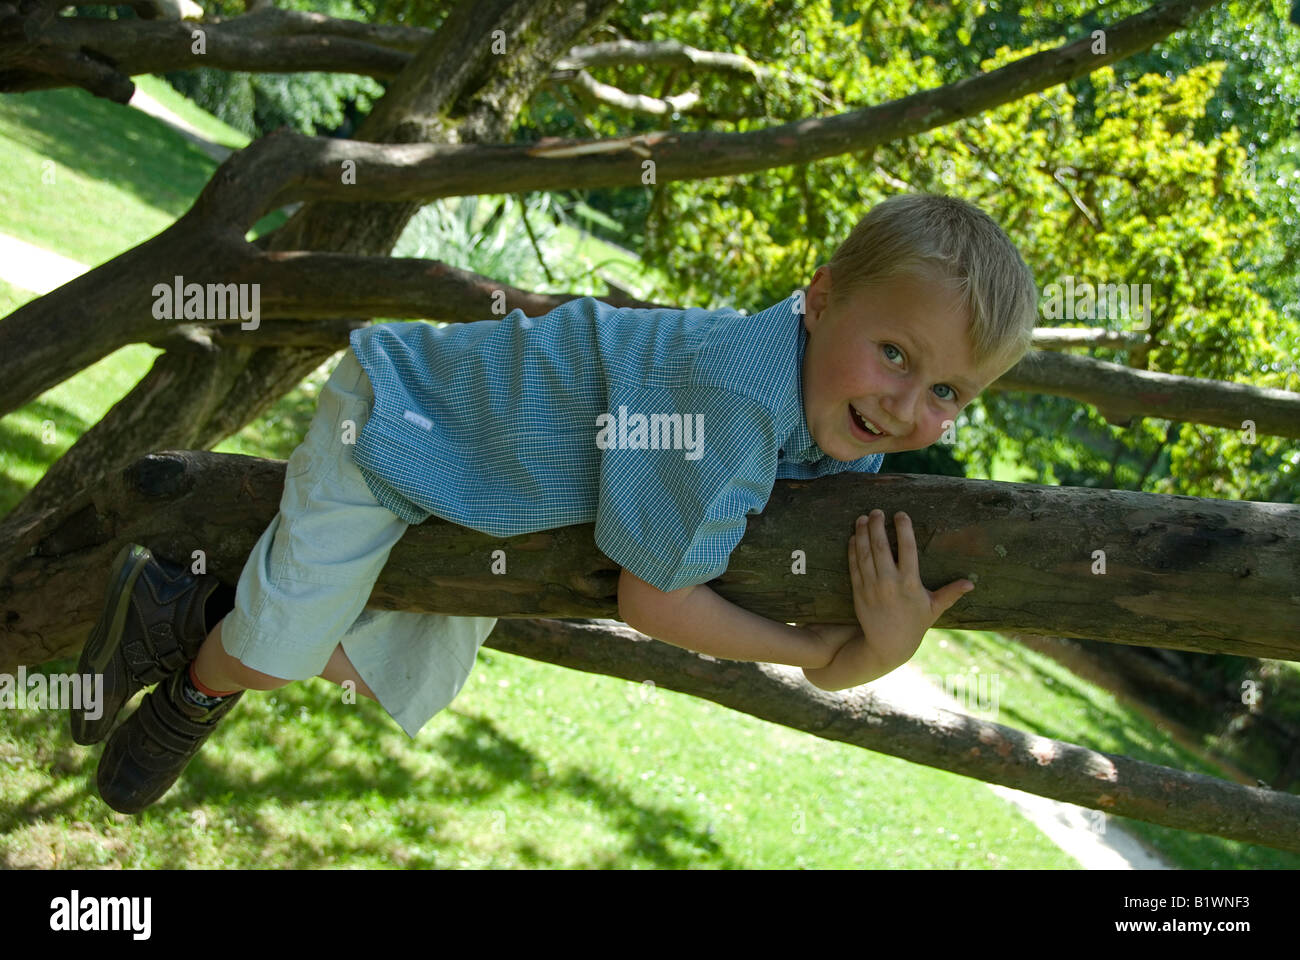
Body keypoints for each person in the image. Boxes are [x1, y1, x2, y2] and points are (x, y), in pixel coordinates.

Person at [73, 192, 1038, 814]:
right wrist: (836, 655)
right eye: (897, 355)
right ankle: (192, 665)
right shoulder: (735, 394)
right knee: (279, 652)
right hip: (403, 425)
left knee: (406, 679)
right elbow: (653, 601)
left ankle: (186, 618)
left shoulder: (839, 412)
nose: (908, 406)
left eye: (950, 392)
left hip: (480, 497)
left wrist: (868, 646)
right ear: (820, 299)